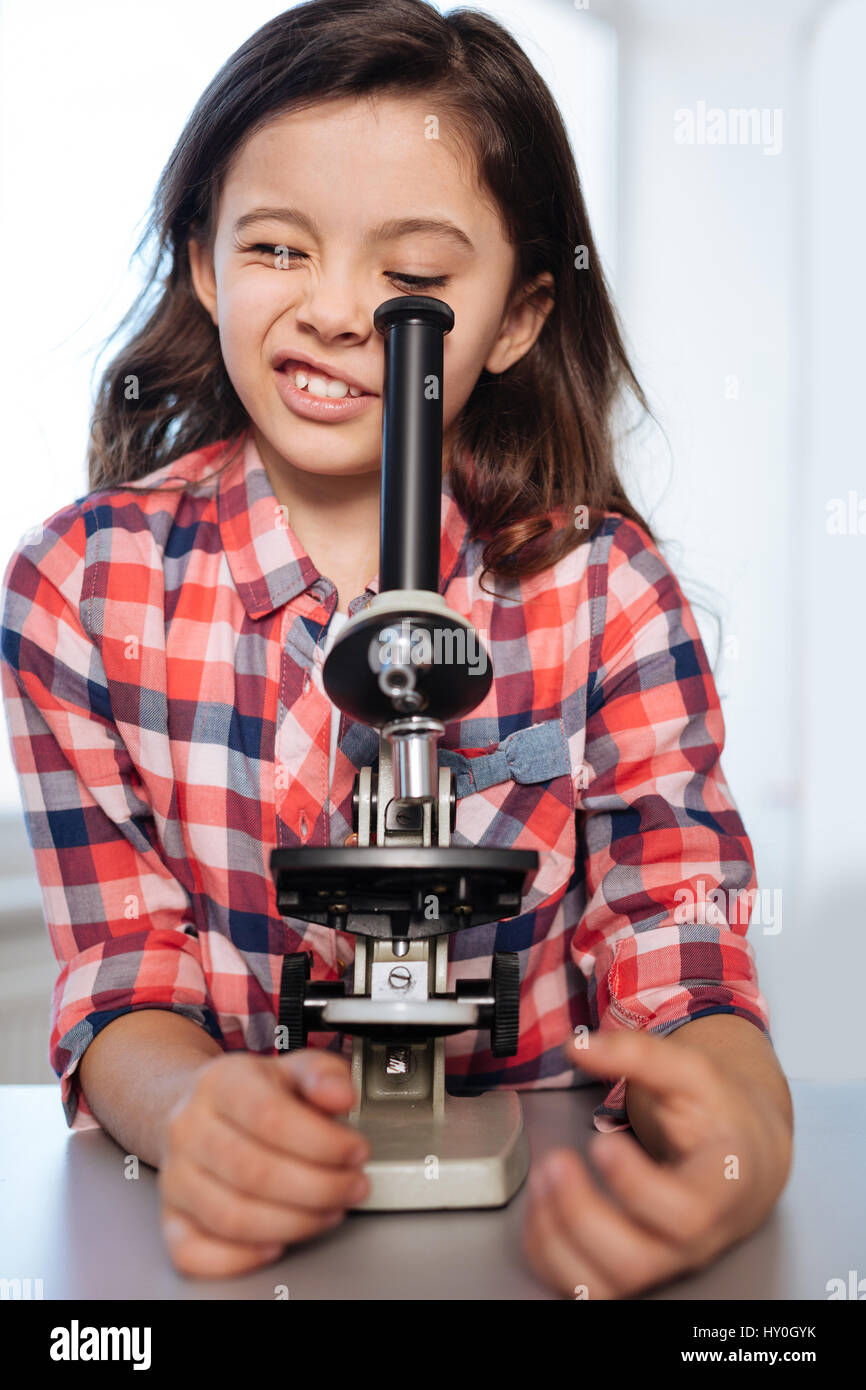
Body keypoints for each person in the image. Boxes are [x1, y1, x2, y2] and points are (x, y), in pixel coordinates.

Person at [0, 0, 792, 1298]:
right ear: (205, 261)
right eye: (277, 246)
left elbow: (673, 928)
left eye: (413, 280)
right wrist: (197, 1111)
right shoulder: (78, 591)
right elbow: (120, 965)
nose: (337, 309)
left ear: (520, 315)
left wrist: (740, 1133)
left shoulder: (604, 593)